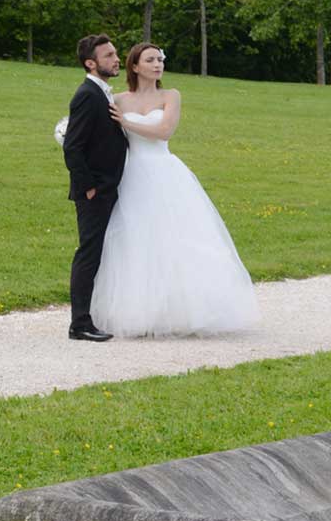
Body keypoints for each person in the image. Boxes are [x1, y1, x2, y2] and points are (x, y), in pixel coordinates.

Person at [90, 43, 259, 336]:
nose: (158, 65)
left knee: (177, 236)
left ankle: (185, 310)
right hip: (132, 174)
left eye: (160, 59)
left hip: (165, 172)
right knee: (137, 238)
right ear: (134, 66)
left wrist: (126, 122)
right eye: (150, 60)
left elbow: (164, 131)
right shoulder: (117, 99)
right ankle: (141, 313)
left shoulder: (170, 96)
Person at [60, 33, 127, 342]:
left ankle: (93, 316)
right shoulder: (87, 94)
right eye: (109, 55)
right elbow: (72, 146)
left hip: (107, 186)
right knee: (89, 253)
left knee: (99, 250)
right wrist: (89, 187)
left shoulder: (102, 92)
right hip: (95, 190)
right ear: (91, 63)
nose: (116, 59)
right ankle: (80, 324)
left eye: (115, 53)